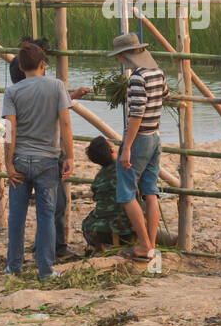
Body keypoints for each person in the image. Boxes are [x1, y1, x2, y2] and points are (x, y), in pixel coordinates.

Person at [8, 36, 88, 260]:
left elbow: (9, 129)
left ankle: (15, 263)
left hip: (21, 159)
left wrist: (7, 160)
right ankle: (49, 257)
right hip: (47, 158)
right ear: (41, 66)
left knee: (18, 215)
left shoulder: (14, 93)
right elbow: (62, 120)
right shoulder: (54, 87)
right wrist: (70, 155)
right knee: (50, 209)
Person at [108, 32, 167, 261]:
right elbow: (165, 95)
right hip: (155, 137)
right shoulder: (158, 73)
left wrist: (127, 147)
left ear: (124, 56)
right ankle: (150, 244)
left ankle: (143, 245)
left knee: (126, 193)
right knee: (150, 191)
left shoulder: (136, 79)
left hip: (140, 138)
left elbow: (135, 115)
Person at [79, 136, 136, 252]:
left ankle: (100, 246)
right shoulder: (126, 169)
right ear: (112, 150)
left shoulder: (99, 178)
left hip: (99, 231)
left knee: (86, 225)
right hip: (127, 230)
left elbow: (96, 196)